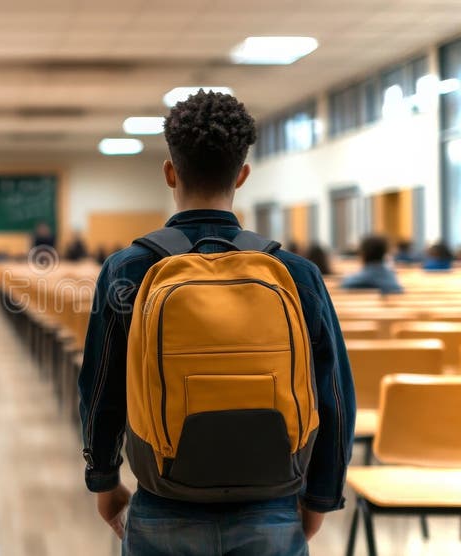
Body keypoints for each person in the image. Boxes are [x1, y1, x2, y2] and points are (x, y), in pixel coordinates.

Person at [79, 90, 354, 556]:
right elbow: (334, 395)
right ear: (242, 175)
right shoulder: (296, 275)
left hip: (163, 501)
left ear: (170, 172)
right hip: (271, 503)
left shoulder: (127, 270)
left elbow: (101, 389)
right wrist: (320, 499)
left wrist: (104, 481)